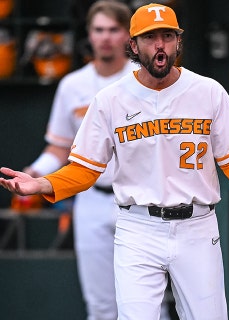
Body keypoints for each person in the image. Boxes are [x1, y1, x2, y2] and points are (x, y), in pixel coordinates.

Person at [0, 3, 229, 319]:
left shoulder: (208, 91)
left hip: (197, 225)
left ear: (178, 41)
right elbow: (85, 169)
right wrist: (40, 183)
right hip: (138, 226)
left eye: (167, 36)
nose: (159, 45)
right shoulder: (110, 99)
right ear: (133, 45)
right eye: (150, 37)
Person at [22, 2, 177, 319]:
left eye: (113, 30)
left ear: (128, 37)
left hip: (139, 198)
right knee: (101, 305)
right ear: (89, 35)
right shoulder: (72, 85)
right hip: (91, 198)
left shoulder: (147, 81)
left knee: (149, 305)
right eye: (99, 30)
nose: (105, 37)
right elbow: (59, 149)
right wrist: (36, 172)